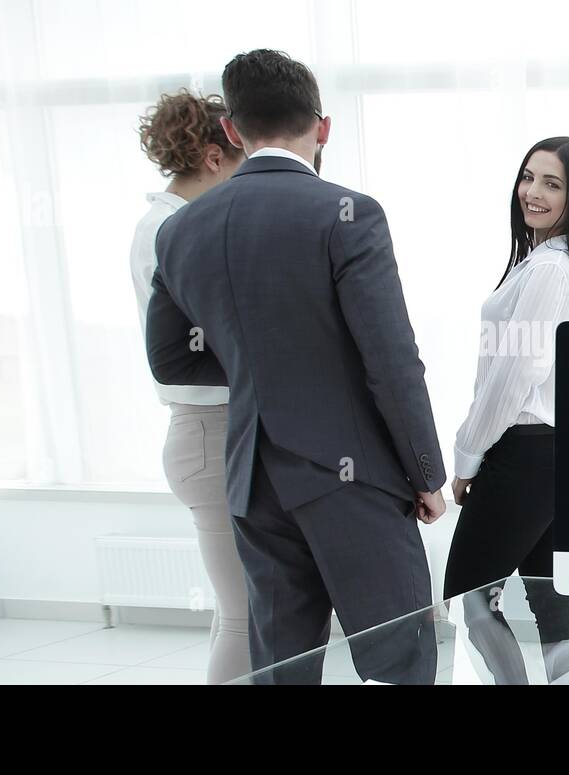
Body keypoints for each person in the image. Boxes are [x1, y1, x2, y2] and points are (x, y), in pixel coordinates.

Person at [145, 50, 447, 685]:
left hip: (252, 478)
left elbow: (171, 357)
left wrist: (262, 371)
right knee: (401, 660)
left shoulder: (180, 231)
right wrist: (426, 473)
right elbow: (390, 359)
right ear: (323, 127)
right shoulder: (349, 213)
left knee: (283, 665)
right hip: (352, 474)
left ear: (232, 130)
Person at [443, 137, 569, 682]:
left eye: (552, 183)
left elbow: (514, 376)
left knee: (471, 601)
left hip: (523, 455)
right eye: (528, 177)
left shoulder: (550, 271)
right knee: (553, 604)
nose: (532, 192)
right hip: (548, 457)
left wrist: (468, 456)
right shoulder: (557, 266)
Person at [130, 90, 248, 684]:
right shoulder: (173, 230)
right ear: (211, 157)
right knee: (244, 615)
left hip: (210, 432)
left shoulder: (165, 224)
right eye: (238, 159)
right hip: (209, 433)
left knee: (236, 611)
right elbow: (195, 349)